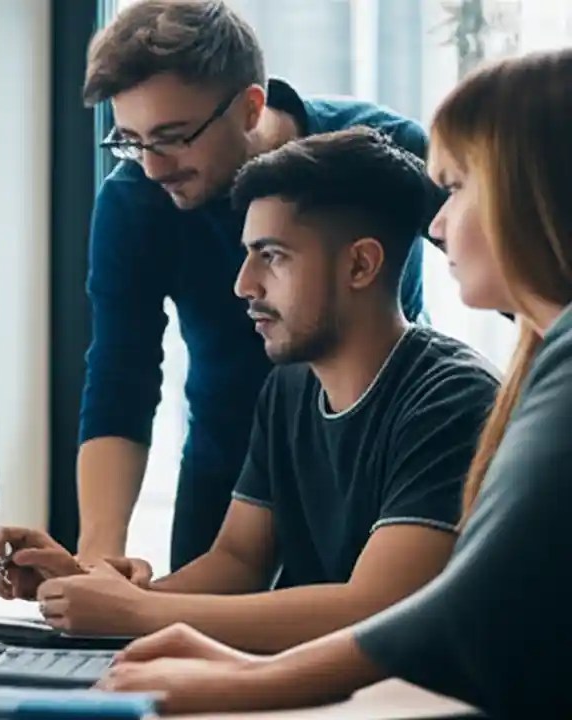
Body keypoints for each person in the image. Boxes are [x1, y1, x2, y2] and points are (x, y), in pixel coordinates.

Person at [96, 47, 572, 719]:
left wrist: (240, 675)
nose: (437, 223)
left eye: (459, 186)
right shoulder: (290, 391)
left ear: (534, 193)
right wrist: (109, 597)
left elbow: (446, 612)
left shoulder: (475, 391)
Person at [0, 128, 499, 653]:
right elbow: (238, 561)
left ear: (360, 265)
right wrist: (90, 594)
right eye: (247, 255)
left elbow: (374, 607)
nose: (244, 285)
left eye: (271, 256)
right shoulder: (289, 388)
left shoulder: (453, 401)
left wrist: (139, 611)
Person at [73, 0, 434, 573]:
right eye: (131, 140)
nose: (153, 167)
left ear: (250, 107)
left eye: (172, 137)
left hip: (381, 459)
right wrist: (97, 560)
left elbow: (513, 266)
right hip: (227, 472)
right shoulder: (134, 199)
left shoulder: (382, 150)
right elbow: (121, 376)